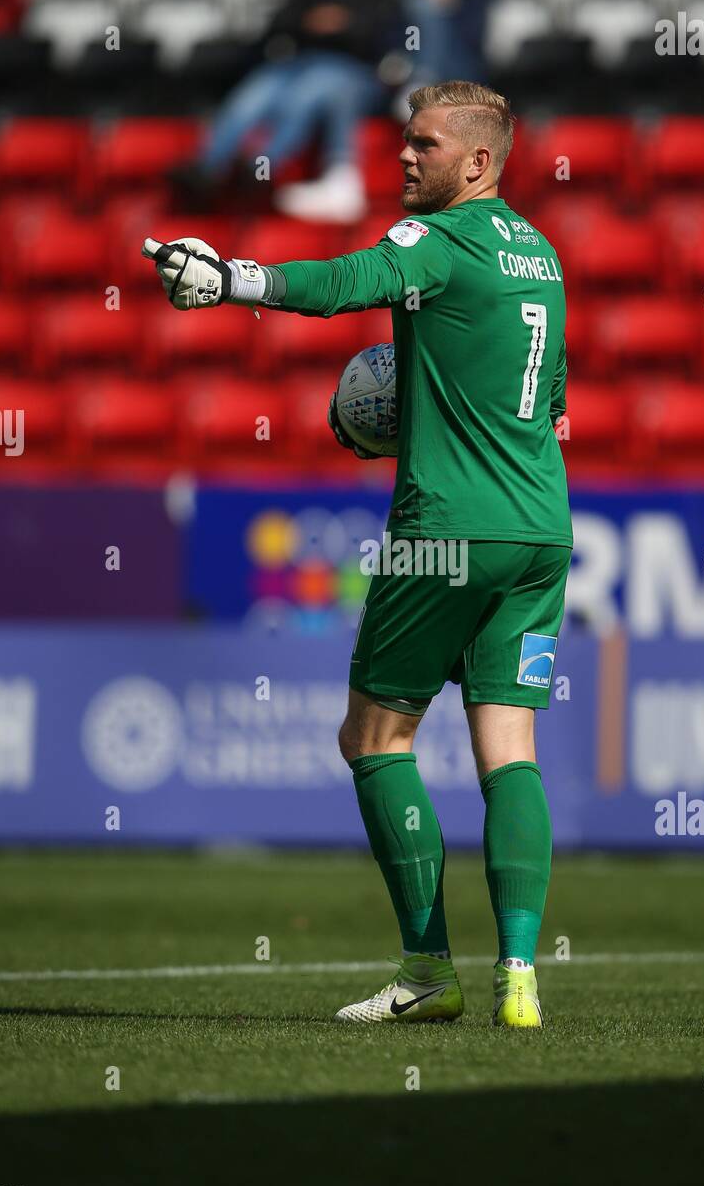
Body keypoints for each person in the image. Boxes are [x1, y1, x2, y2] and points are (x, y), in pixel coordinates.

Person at [143, 80, 572, 1029]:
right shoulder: (540, 256)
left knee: (374, 739)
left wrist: (231, 280)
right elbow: (554, 412)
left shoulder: (434, 241)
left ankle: (428, 969)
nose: (404, 157)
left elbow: (345, 285)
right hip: (542, 533)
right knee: (510, 753)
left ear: (477, 163)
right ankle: (521, 979)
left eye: (423, 144)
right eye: (402, 141)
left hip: (444, 533)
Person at [171, 0, 397, 221]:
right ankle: (206, 167)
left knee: (310, 88)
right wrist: (316, 23)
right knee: (257, 90)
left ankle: (260, 167)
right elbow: (277, 29)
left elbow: (378, 40)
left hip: (349, 74)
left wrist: (338, 26)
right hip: (298, 67)